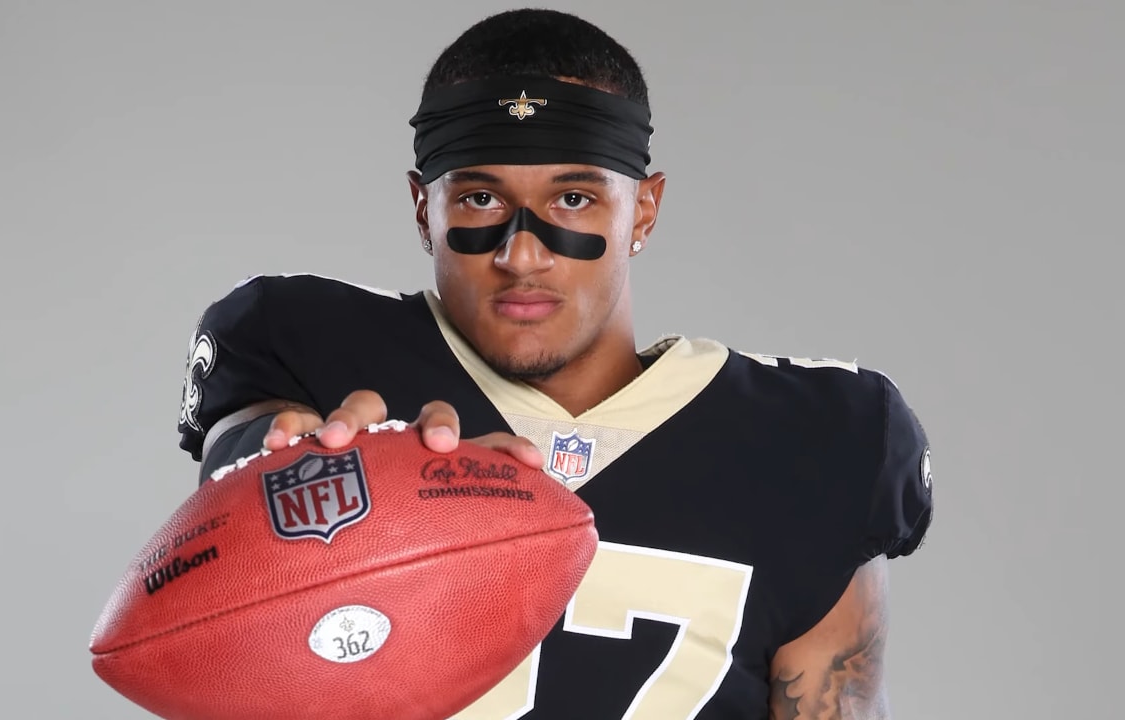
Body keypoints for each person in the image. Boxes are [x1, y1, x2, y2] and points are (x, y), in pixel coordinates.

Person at [175, 8, 934, 719]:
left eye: (573, 198)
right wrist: (323, 476)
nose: (522, 253)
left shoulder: (818, 438)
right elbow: (238, 477)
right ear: (422, 209)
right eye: (478, 200)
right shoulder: (312, 350)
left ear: (643, 208)